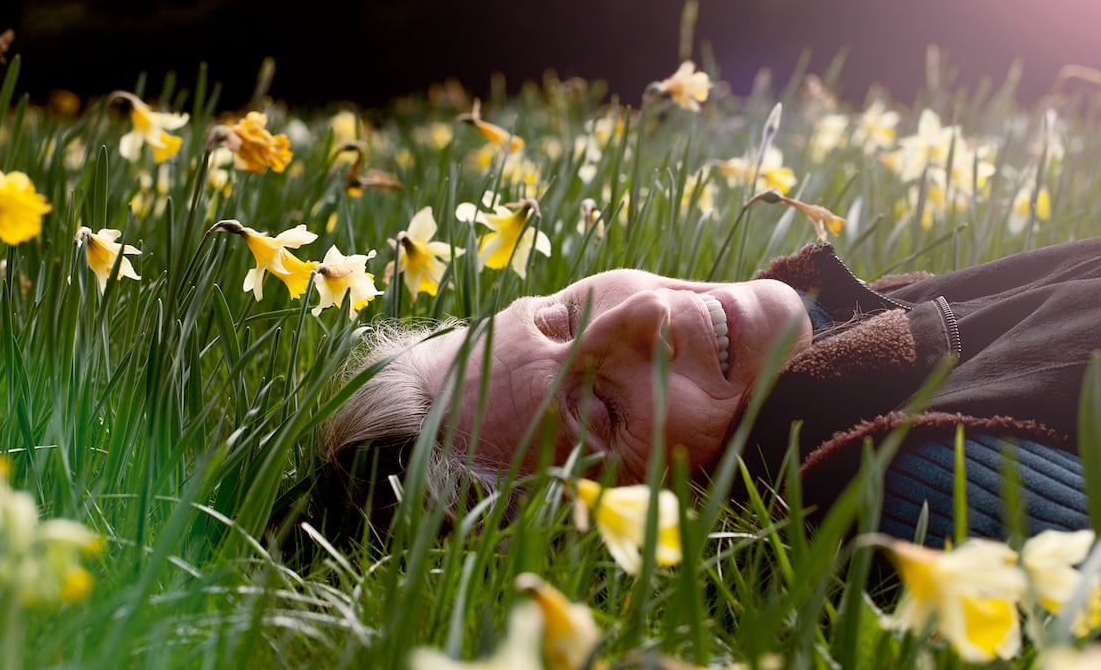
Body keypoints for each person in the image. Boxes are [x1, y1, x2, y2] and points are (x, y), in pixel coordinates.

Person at [310, 238, 1101, 548]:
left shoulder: (862, 334)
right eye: (598, 408)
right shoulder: (911, 477)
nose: (644, 313)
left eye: (559, 316)